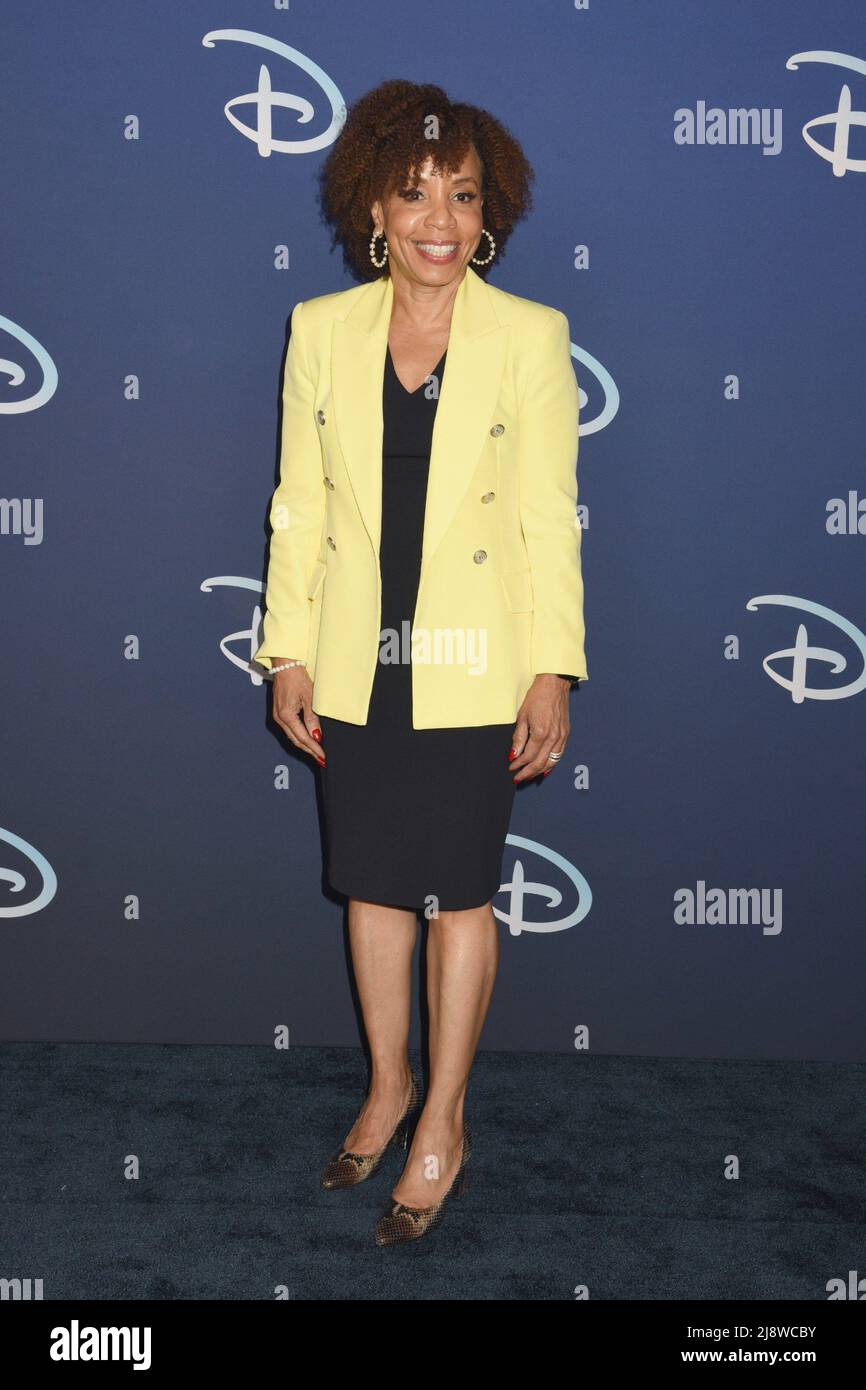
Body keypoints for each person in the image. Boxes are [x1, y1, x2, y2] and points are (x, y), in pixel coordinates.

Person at [254, 80, 588, 1246]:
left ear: (486, 213)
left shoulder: (530, 336)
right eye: (413, 195)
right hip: (357, 654)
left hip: (471, 659)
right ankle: (386, 1082)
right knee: (376, 885)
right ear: (373, 213)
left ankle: (443, 1111)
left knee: (459, 894)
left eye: (460, 195)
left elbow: (549, 514)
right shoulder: (319, 327)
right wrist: (286, 645)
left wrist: (551, 665)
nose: (438, 219)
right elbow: (297, 505)